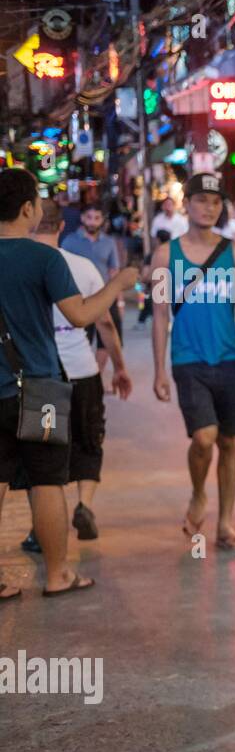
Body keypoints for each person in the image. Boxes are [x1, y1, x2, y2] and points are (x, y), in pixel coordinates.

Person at [0, 169, 137, 598]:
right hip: (39, 387)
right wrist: (118, 283)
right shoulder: (45, 259)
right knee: (47, 481)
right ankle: (58, 575)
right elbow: (80, 315)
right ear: (28, 209)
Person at [150, 173, 235, 550]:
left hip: (230, 359)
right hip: (188, 360)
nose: (208, 208)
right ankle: (199, 493)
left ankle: (226, 522)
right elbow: (159, 315)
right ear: (187, 204)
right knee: (204, 438)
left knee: (229, 441)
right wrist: (159, 370)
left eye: (215, 202)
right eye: (201, 200)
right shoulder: (164, 254)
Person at [60, 203, 125, 374]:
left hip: (105, 296)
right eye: (89, 217)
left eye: (97, 218)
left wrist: (120, 301)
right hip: (80, 299)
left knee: (108, 339)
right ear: (82, 218)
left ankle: (98, 374)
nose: (92, 222)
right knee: (84, 338)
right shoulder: (70, 241)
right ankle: (87, 374)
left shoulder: (109, 242)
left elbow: (114, 272)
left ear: (102, 220)